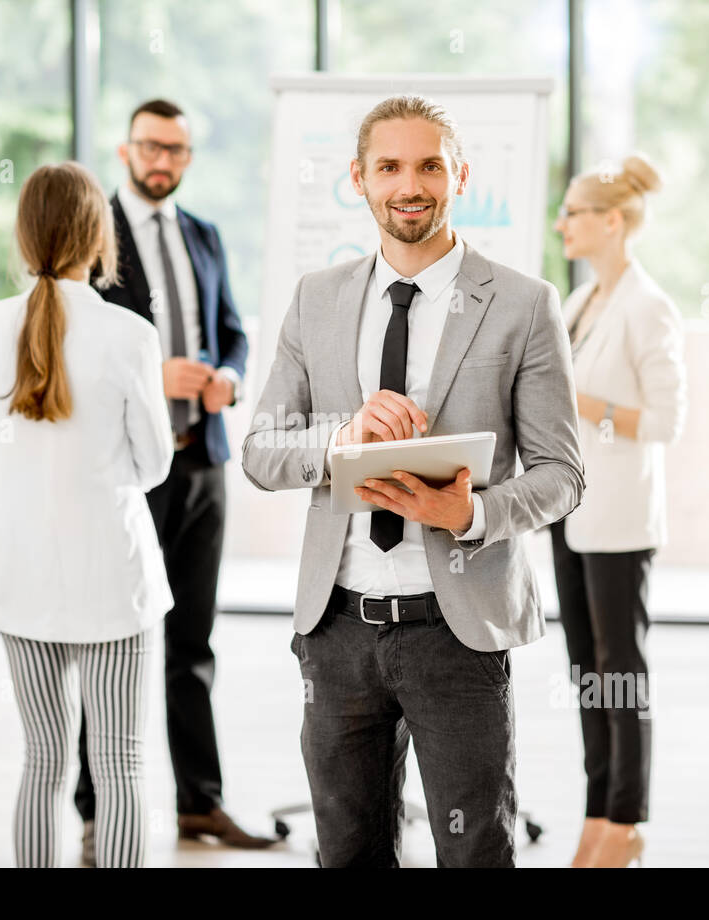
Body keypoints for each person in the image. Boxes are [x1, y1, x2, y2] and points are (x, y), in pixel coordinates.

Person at [242, 95, 584, 867]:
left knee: (475, 854)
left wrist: (471, 511)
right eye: (389, 166)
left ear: (459, 174)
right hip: (335, 632)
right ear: (358, 180)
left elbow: (563, 473)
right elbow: (262, 452)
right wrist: (340, 437)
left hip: (455, 631)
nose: (410, 184)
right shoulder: (316, 299)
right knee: (349, 851)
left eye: (430, 164)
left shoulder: (525, 305)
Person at [0, 161, 173, 868]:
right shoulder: (129, 333)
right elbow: (156, 462)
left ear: (23, 235)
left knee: (40, 761)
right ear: (98, 236)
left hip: (22, 576)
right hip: (115, 577)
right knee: (120, 764)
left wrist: (24, 478)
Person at [75, 98, 272, 860]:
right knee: (113, 638)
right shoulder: (93, 238)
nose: (164, 160)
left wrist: (229, 373)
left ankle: (201, 802)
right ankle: (97, 810)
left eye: (178, 150)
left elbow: (232, 329)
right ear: (126, 151)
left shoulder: (204, 234)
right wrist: (152, 374)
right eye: (152, 146)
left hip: (202, 457)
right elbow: (74, 341)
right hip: (126, 468)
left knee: (193, 643)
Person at [549, 154, 687, 868]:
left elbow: (667, 419)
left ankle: (628, 818)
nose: (560, 223)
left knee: (619, 668)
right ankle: (598, 807)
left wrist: (584, 407)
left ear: (611, 221)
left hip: (621, 520)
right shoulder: (580, 302)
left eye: (572, 212)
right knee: (585, 667)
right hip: (570, 513)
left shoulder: (647, 305)